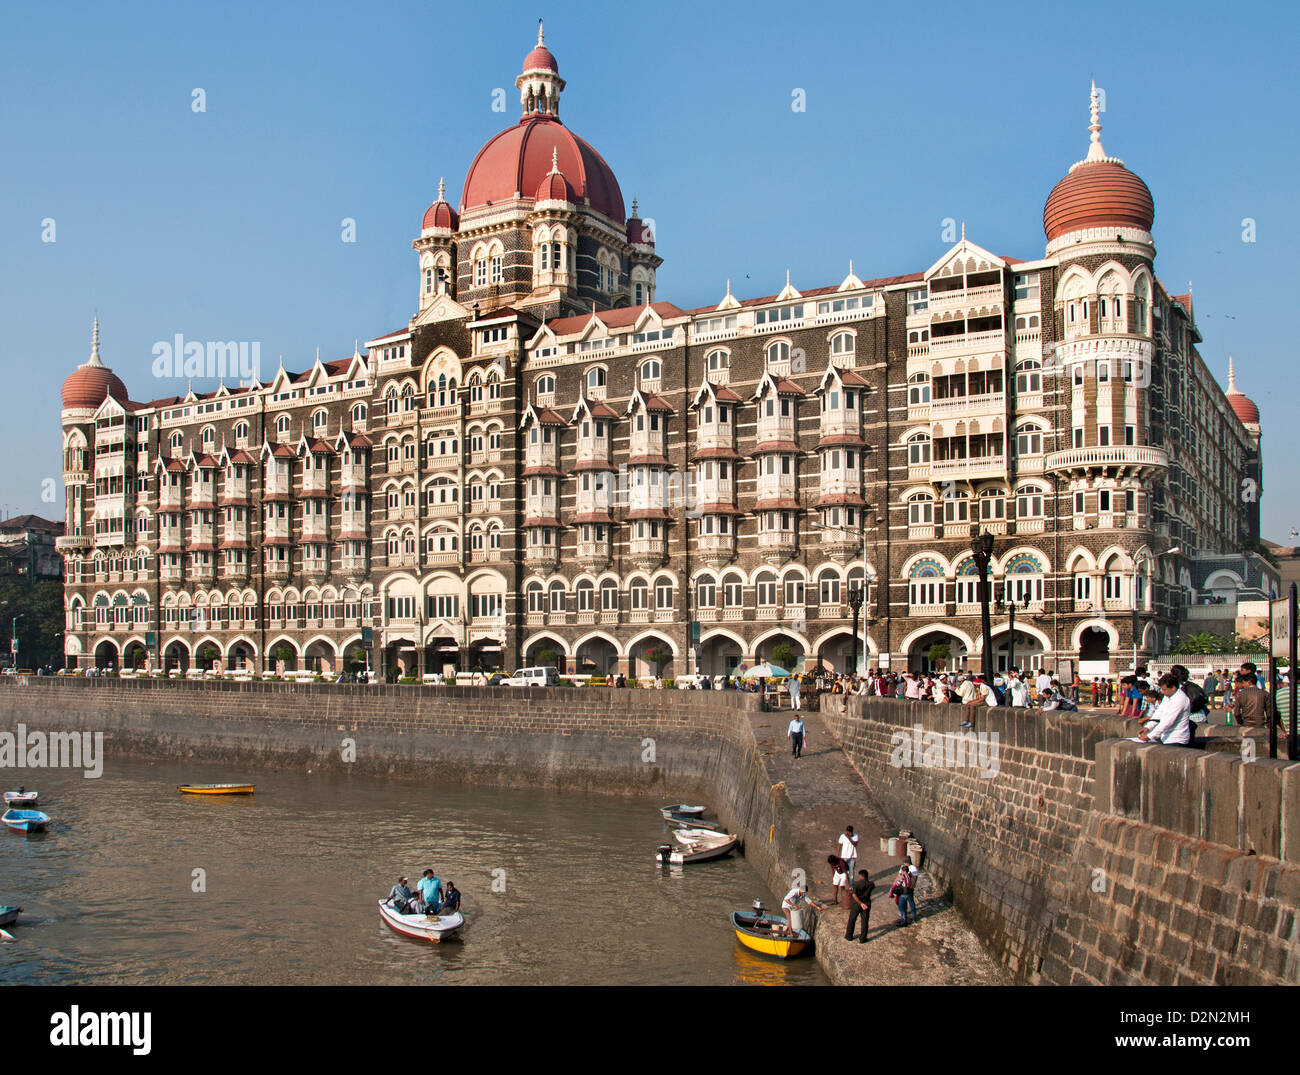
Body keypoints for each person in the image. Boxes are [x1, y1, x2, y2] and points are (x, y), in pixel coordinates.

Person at [1136, 673, 1192, 745]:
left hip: (1177, 739)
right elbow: (1159, 712)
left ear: (1173, 687)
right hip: (1166, 738)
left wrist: (1150, 736)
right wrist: (1148, 727)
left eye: (1164, 689)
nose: (1162, 692)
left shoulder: (1180, 699)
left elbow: (1168, 721)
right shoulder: (1168, 696)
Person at [845, 869, 874, 943]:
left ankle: (849, 936)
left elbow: (854, 895)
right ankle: (863, 938)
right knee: (864, 921)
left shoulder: (856, 884)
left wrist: (860, 903)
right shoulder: (871, 884)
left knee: (852, 919)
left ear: (861, 876)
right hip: (867, 903)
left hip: (857, 904)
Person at [889, 859, 917, 926]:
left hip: (904, 893)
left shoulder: (903, 877)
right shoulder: (909, 876)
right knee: (905, 905)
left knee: (901, 907)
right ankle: (904, 919)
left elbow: (897, 883)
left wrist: (893, 889)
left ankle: (903, 921)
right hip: (908, 891)